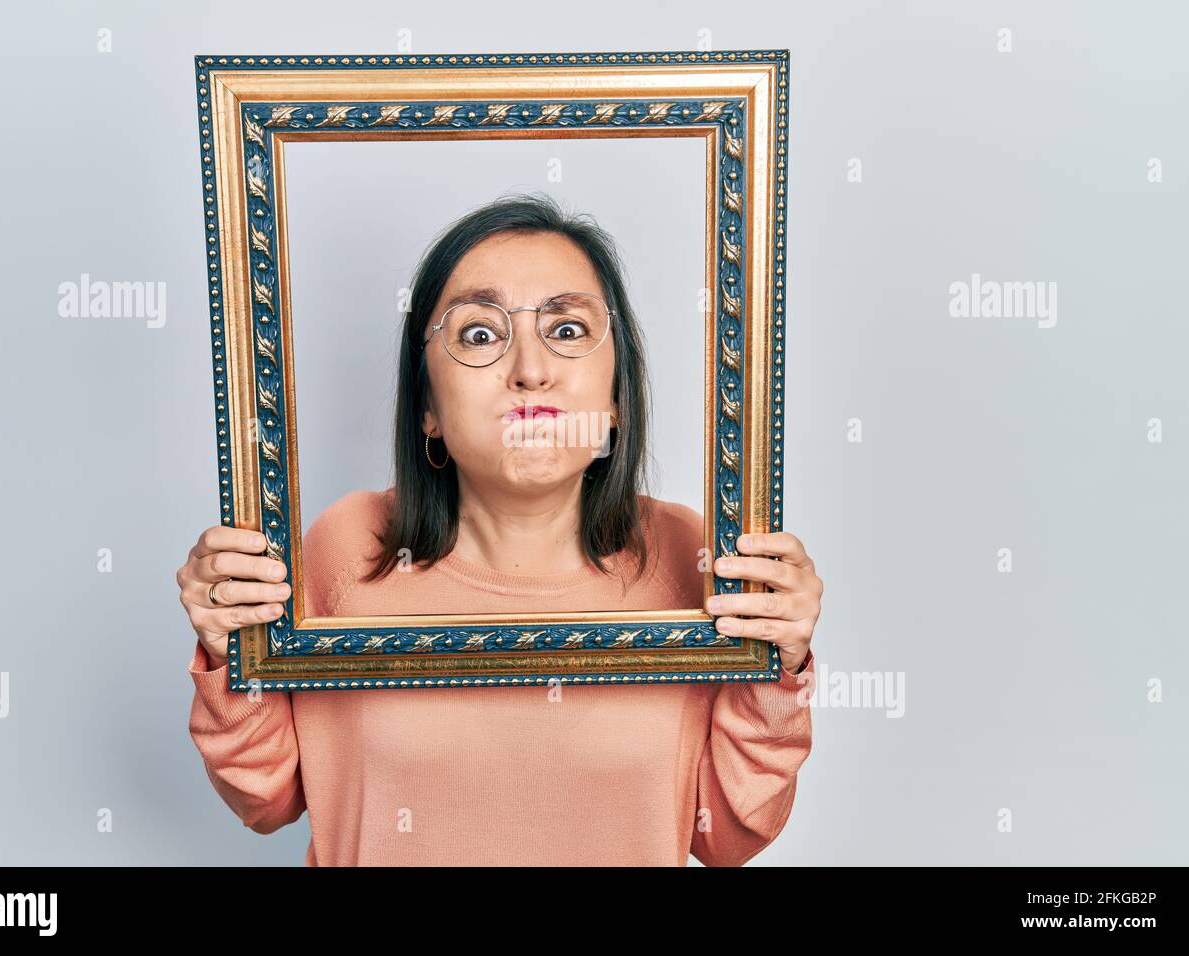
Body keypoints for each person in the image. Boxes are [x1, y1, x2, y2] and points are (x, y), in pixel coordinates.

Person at [174, 193, 823, 866]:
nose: (530, 370)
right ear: (427, 406)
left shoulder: (695, 561)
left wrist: (780, 667)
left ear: (616, 399)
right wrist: (230, 651)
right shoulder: (348, 547)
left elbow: (729, 835)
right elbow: (266, 799)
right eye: (480, 334)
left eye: (567, 330)